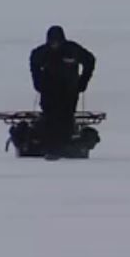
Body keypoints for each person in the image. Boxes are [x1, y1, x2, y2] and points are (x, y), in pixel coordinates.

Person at [29, 25, 96, 159]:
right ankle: (51, 147)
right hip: (49, 91)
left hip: (69, 91)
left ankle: (64, 146)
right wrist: (38, 83)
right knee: (49, 117)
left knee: (65, 117)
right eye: (52, 42)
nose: (55, 45)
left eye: (57, 42)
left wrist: (83, 81)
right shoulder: (42, 52)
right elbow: (34, 63)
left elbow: (90, 60)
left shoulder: (72, 49)